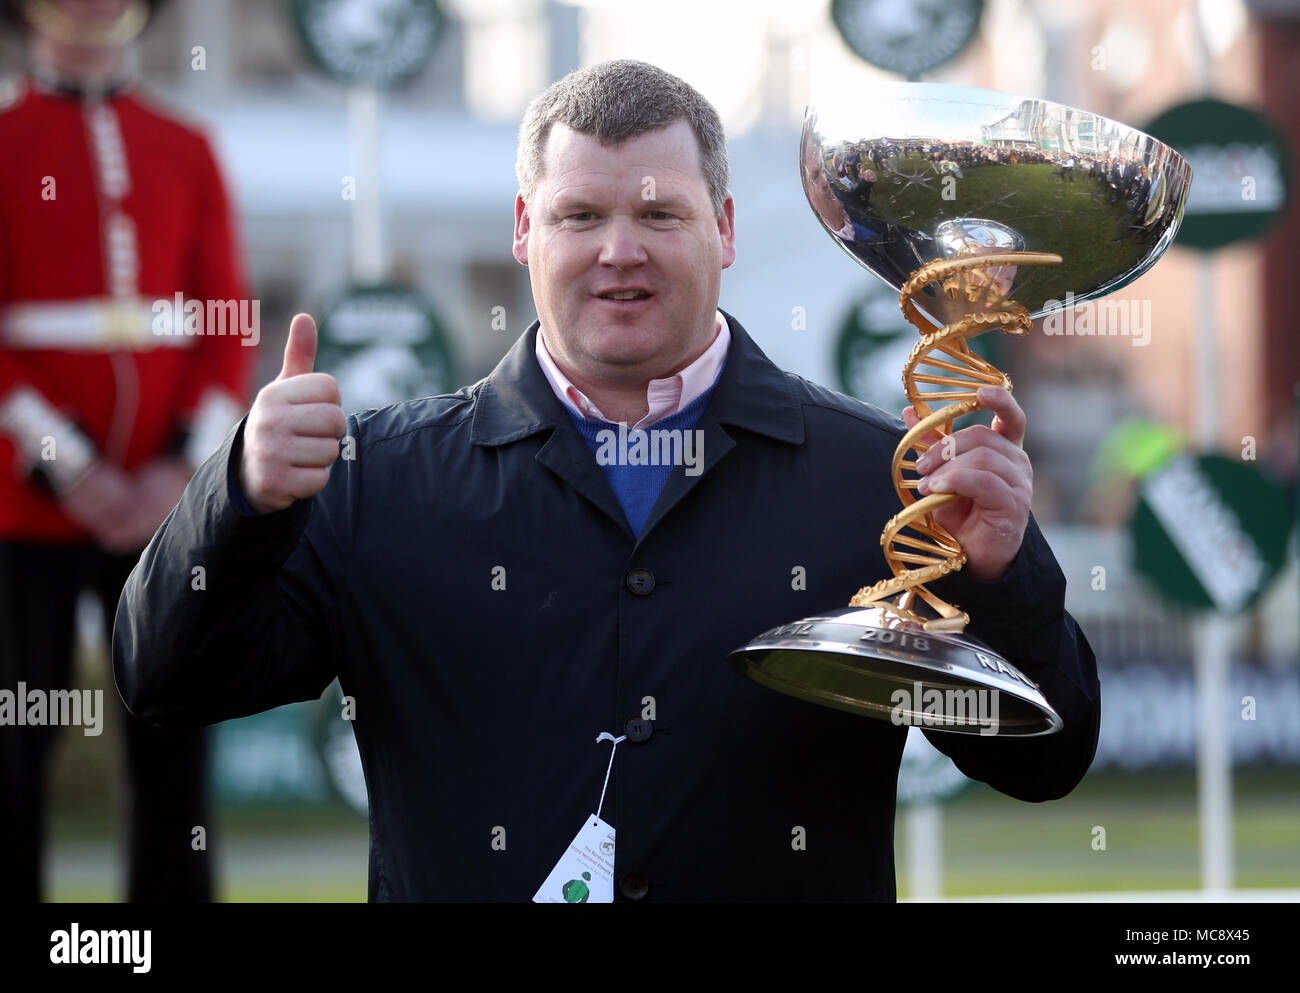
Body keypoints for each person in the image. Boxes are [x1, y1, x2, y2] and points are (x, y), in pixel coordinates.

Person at [114, 60, 1100, 902]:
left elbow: (1044, 761)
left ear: (722, 227)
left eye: (657, 214)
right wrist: (235, 497)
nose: (617, 250)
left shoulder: (886, 478)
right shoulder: (377, 478)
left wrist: (1001, 579)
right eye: (578, 214)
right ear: (522, 229)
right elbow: (163, 680)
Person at [0, 0, 253, 900]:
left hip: (160, 507)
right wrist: (66, 461)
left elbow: (226, 319)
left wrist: (176, 467)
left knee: (174, 734)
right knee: (11, 745)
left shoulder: (186, 146)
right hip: (22, 508)